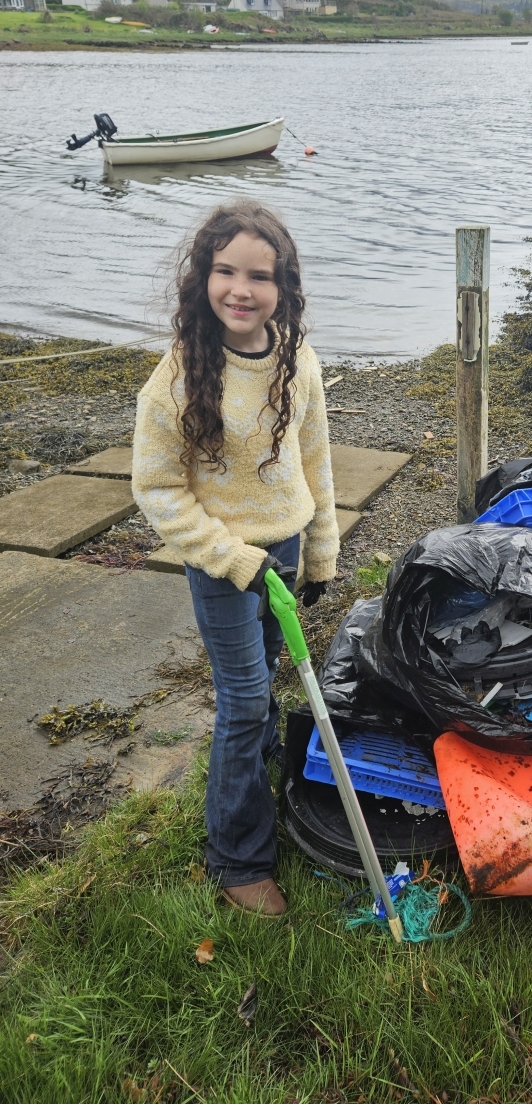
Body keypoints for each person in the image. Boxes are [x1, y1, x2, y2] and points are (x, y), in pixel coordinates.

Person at [132, 201, 339, 917]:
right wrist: (231, 557)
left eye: (260, 275)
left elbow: (314, 458)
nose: (241, 289)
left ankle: (253, 787)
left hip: (283, 551)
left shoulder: (296, 358)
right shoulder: (178, 378)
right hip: (223, 565)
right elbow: (156, 488)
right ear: (203, 278)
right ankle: (238, 859)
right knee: (245, 701)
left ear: (285, 287)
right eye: (225, 271)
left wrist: (320, 551)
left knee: (266, 689)